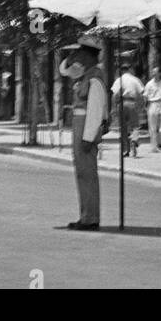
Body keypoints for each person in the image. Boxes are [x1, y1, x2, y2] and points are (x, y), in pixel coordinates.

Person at [60, 36, 108, 230]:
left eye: (82, 52)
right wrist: (70, 58)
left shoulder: (95, 76)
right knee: (82, 173)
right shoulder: (84, 74)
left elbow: (95, 111)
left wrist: (88, 138)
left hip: (87, 128)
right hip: (80, 124)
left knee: (87, 174)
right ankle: (85, 215)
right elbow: (64, 70)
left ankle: (91, 218)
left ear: (90, 55)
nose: (78, 55)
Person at [111, 64, 145, 158]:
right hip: (132, 103)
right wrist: (141, 106)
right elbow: (142, 94)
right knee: (135, 126)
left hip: (121, 104)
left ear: (121, 70)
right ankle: (134, 140)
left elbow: (114, 95)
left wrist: (113, 108)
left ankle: (126, 150)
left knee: (123, 128)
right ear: (130, 69)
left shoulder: (119, 80)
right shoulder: (135, 80)